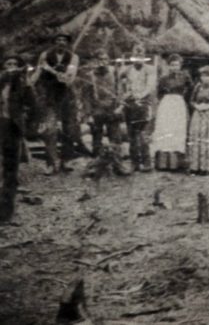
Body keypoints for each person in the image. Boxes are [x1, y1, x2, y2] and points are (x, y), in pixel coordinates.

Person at [29, 33, 82, 174]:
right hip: (48, 96)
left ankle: (66, 161)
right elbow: (39, 71)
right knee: (50, 130)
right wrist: (31, 83)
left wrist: (57, 73)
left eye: (64, 40)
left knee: (69, 129)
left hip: (66, 96)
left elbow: (69, 78)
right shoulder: (45, 55)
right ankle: (52, 162)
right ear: (54, 42)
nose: (61, 42)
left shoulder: (74, 57)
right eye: (58, 40)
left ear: (67, 43)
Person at [1, 54, 35, 223]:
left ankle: (6, 213)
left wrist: (26, 81)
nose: (12, 66)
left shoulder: (22, 85)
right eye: (9, 63)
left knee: (10, 170)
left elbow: (32, 103)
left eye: (15, 64)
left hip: (12, 128)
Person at [152, 53, 192, 171]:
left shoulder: (185, 77)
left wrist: (183, 99)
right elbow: (159, 93)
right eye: (172, 65)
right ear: (168, 66)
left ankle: (177, 164)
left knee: (177, 131)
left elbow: (191, 90)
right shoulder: (163, 79)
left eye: (177, 65)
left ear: (180, 65)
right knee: (165, 129)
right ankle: (163, 164)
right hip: (166, 105)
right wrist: (164, 102)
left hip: (179, 104)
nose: (174, 67)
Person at [120, 43, 156, 172]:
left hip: (143, 104)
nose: (138, 58)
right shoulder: (126, 70)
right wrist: (125, 95)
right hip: (130, 105)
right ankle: (134, 162)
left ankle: (146, 163)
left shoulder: (150, 69)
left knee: (142, 134)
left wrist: (139, 96)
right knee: (131, 134)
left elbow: (149, 87)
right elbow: (122, 85)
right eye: (136, 55)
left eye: (141, 55)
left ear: (144, 56)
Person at [85, 51, 126, 160]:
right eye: (99, 59)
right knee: (96, 138)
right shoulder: (90, 75)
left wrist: (120, 107)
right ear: (95, 61)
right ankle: (97, 164)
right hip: (97, 110)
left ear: (108, 60)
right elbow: (87, 97)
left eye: (105, 59)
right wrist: (88, 114)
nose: (102, 62)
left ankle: (117, 163)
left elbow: (120, 91)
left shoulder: (114, 72)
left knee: (115, 137)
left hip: (112, 109)